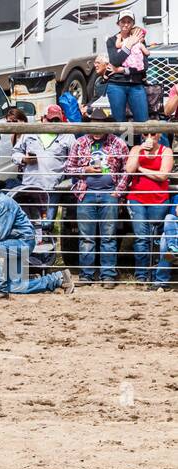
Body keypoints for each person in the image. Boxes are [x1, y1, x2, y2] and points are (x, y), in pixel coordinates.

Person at [63, 128, 127, 285]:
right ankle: (87, 275)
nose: (96, 132)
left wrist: (118, 192)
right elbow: (68, 168)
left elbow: (127, 169)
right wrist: (86, 169)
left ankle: (108, 275)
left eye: (99, 128)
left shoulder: (118, 143)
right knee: (86, 237)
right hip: (86, 194)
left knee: (109, 236)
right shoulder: (80, 143)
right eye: (93, 128)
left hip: (109, 195)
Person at [124, 133, 173, 290]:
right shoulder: (136, 149)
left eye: (153, 133)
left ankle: (156, 275)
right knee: (141, 237)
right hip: (137, 198)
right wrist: (138, 153)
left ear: (159, 135)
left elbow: (163, 175)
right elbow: (130, 170)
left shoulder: (166, 151)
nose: (149, 137)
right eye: (146, 134)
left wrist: (142, 168)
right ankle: (141, 275)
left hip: (159, 199)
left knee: (156, 238)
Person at [105, 13, 148, 126]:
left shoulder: (140, 39)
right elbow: (115, 61)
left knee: (143, 121)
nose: (126, 24)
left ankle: (141, 143)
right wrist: (129, 45)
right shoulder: (112, 40)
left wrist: (122, 70)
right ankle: (124, 143)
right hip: (116, 85)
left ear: (133, 24)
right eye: (123, 21)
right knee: (120, 123)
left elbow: (143, 67)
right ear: (118, 23)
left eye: (129, 22)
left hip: (136, 84)